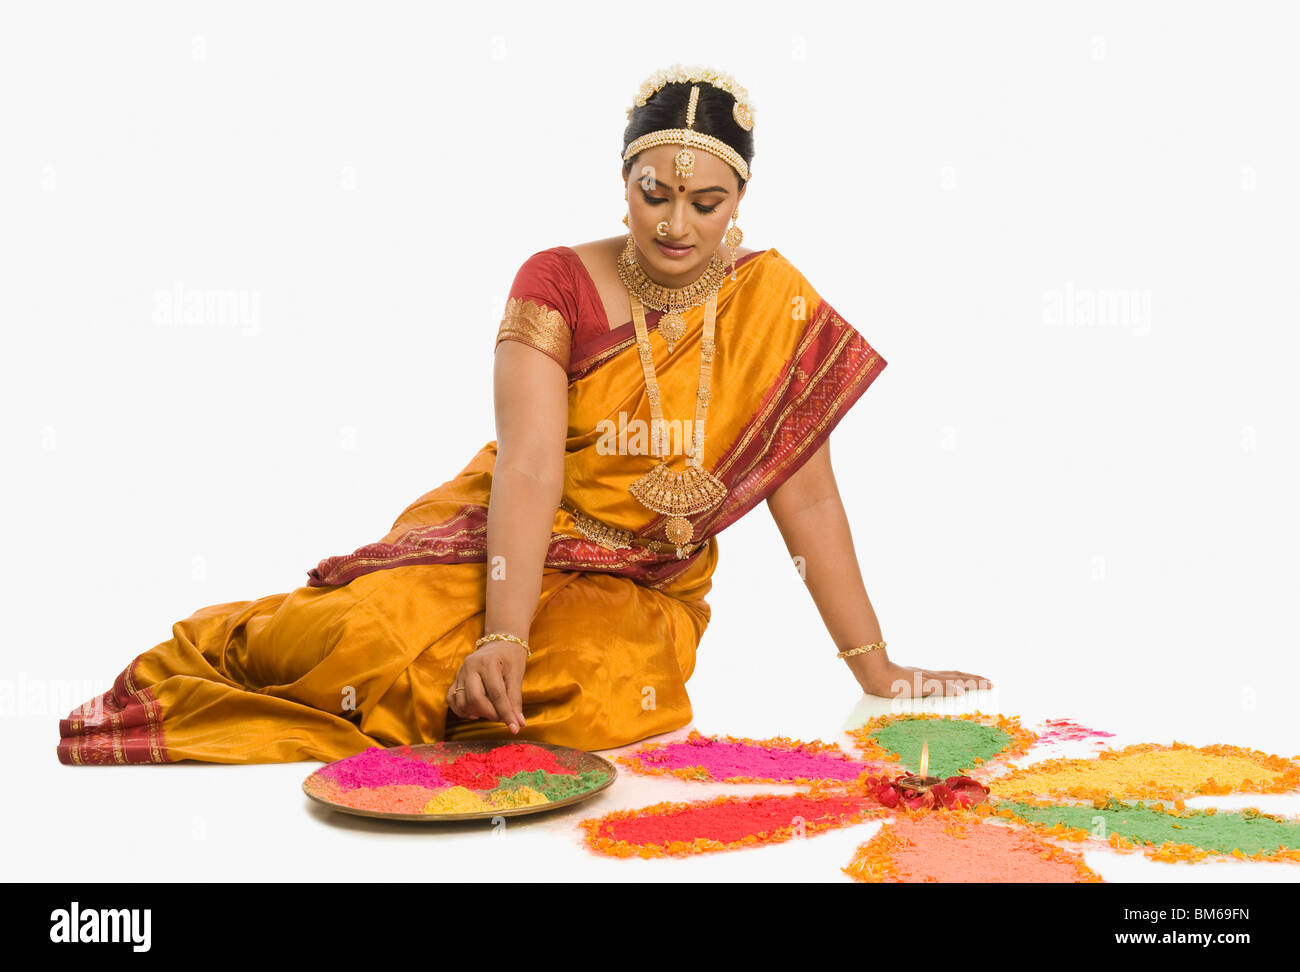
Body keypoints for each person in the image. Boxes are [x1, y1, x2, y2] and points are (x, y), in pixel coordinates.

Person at [56, 64, 991, 767]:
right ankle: (265, 645)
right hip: (499, 533)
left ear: (740, 202)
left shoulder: (771, 301)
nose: (674, 226)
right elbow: (532, 468)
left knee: (603, 694)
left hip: (640, 580)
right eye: (652, 195)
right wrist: (502, 628)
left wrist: (878, 670)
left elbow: (812, 505)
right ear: (622, 183)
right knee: (362, 644)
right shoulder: (554, 281)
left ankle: (482, 687)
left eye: (705, 203)